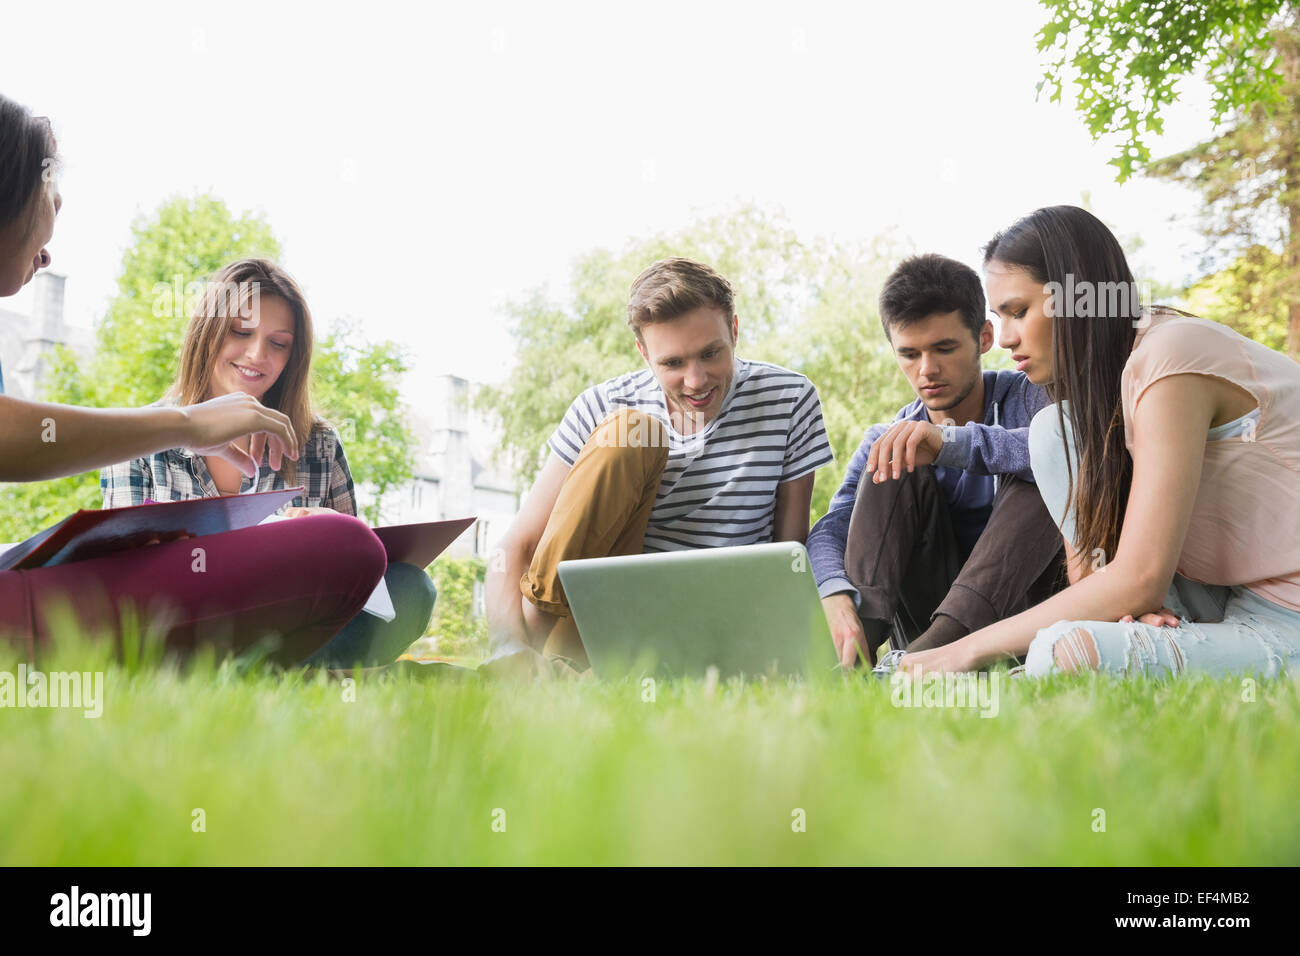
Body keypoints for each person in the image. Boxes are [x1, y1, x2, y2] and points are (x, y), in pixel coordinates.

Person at [0, 92, 386, 665]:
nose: (48, 253)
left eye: (279, 344)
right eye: (50, 203)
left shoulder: (318, 442)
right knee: (345, 548)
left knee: (389, 577)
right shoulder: (160, 435)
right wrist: (184, 424)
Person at [900, 204, 1300, 679]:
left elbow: (1140, 578)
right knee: (1053, 432)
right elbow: (1106, 574)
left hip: (1286, 612)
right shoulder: (1098, 390)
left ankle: (968, 661)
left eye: (1019, 312)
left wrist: (961, 652)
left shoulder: (1172, 358)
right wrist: (1126, 607)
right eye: (999, 316)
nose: (1005, 339)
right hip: (1213, 592)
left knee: (1065, 652)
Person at [485, 257, 835, 672]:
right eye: (672, 363)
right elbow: (515, 548)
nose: (696, 380)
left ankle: (575, 675)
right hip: (597, 625)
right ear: (644, 353)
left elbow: (788, 553)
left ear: (735, 332)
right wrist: (509, 649)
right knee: (632, 432)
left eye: (710, 353)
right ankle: (532, 666)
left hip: (730, 626)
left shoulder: (789, 398)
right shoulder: (602, 405)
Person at [100, 259, 437, 668]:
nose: (257, 355)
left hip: (293, 624)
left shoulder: (319, 445)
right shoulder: (142, 437)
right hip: (187, 625)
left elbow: (363, 576)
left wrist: (334, 532)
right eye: (241, 332)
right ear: (206, 334)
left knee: (412, 587)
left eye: (279, 344)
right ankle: (278, 675)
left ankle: (260, 673)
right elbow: (117, 586)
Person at [808, 253, 1064, 668]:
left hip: (1023, 625)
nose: (927, 369)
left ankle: (936, 652)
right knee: (890, 455)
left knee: (1045, 455)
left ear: (983, 338)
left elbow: (1081, 452)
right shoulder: (890, 436)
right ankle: (859, 658)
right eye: (909, 354)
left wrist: (949, 442)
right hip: (918, 622)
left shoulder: (1032, 396)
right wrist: (834, 593)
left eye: (944, 348)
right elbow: (828, 531)